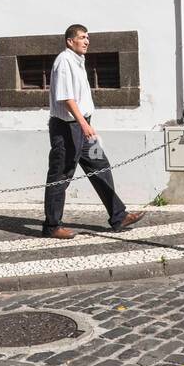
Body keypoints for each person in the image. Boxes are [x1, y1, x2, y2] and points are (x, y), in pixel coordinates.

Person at [42, 24, 146, 239]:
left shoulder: (79, 61)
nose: (87, 41)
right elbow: (66, 98)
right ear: (70, 41)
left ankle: (119, 216)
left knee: (101, 165)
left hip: (83, 125)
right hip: (67, 128)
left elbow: (79, 99)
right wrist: (83, 124)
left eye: (88, 37)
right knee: (61, 175)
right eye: (82, 37)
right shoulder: (64, 61)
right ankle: (52, 226)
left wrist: (88, 123)